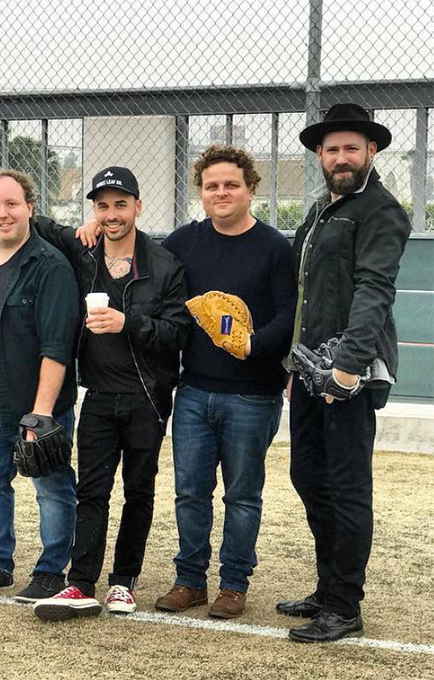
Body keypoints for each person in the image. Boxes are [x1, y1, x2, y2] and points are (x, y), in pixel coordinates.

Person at [22, 167, 190, 620]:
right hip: (97, 395)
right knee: (91, 490)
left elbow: (177, 333)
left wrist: (126, 322)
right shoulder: (85, 254)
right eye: (102, 206)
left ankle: (124, 581)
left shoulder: (164, 265)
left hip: (147, 399)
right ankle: (80, 583)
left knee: (138, 491)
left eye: (120, 204)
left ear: (138, 206)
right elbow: (32, 219)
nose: (112, 214)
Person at [278, 104, 411, 642]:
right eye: (331, 149)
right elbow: (307, 294)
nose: (340, 157)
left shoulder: (380, 210)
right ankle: (327, 586)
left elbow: (375, 289)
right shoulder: (320, 211)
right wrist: (295, 364)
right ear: (319, 155)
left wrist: (349, 368)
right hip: (309, 371)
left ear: (370, 152)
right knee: (308, 477)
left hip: (348, 376)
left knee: (347, 486)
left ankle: (344, 604)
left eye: (351, 148)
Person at [153, 145, 296, 619]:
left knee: (242, 495)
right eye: (211, 185)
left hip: (253, 393)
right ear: (201, 191)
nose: (221, 192)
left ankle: (234, 584)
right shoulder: (183, 242)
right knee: (190, 492)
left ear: (250, 189)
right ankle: (190, 580)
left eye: (231, 184)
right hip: (194, 390)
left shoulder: (275, 247)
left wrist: (254, 346)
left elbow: (288, 315)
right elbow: (145, 268)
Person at [0, 169, 82, 603]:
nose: (3, 213)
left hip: (34, 406)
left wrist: (41, 412)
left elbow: (57, 346)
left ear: (30, 207)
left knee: (51, 487)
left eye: (12, 204)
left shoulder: (50, 266)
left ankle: (51, 570)